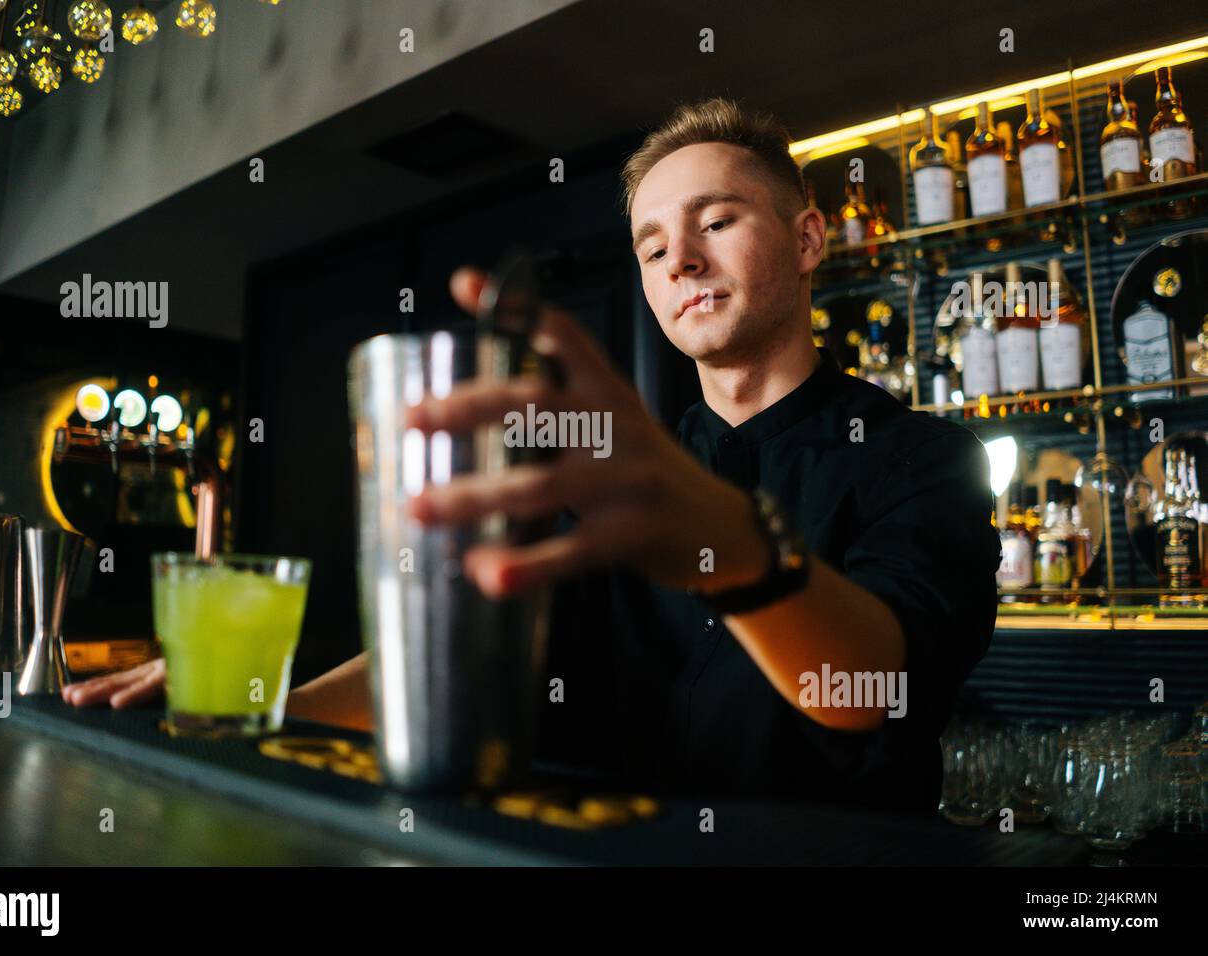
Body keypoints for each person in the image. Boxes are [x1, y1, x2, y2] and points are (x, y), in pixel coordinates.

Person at [64, 97, 1000, 814]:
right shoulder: (607, 473)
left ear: (805, 240)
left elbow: (885, 688)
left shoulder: (920, 458)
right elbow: (483, 646)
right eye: (652, 243)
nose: (679, 260)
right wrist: (261, 700)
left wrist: (738, 550)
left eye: (716, 222)